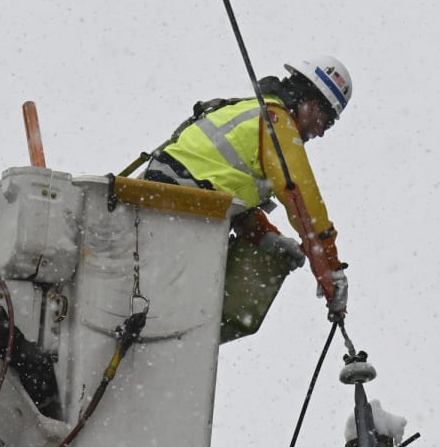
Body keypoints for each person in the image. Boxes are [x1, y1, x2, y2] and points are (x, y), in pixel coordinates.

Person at [145, 56, 352, 332]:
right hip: (177, 210)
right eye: (325, 122)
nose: (321, 133)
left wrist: (265, 236)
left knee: (161, 316)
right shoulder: (276, 122)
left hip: (160, 203)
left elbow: (216, 186)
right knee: (177, 323)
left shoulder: (250, 110)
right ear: (312, 106)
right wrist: (330, 270)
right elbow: (300, 197)